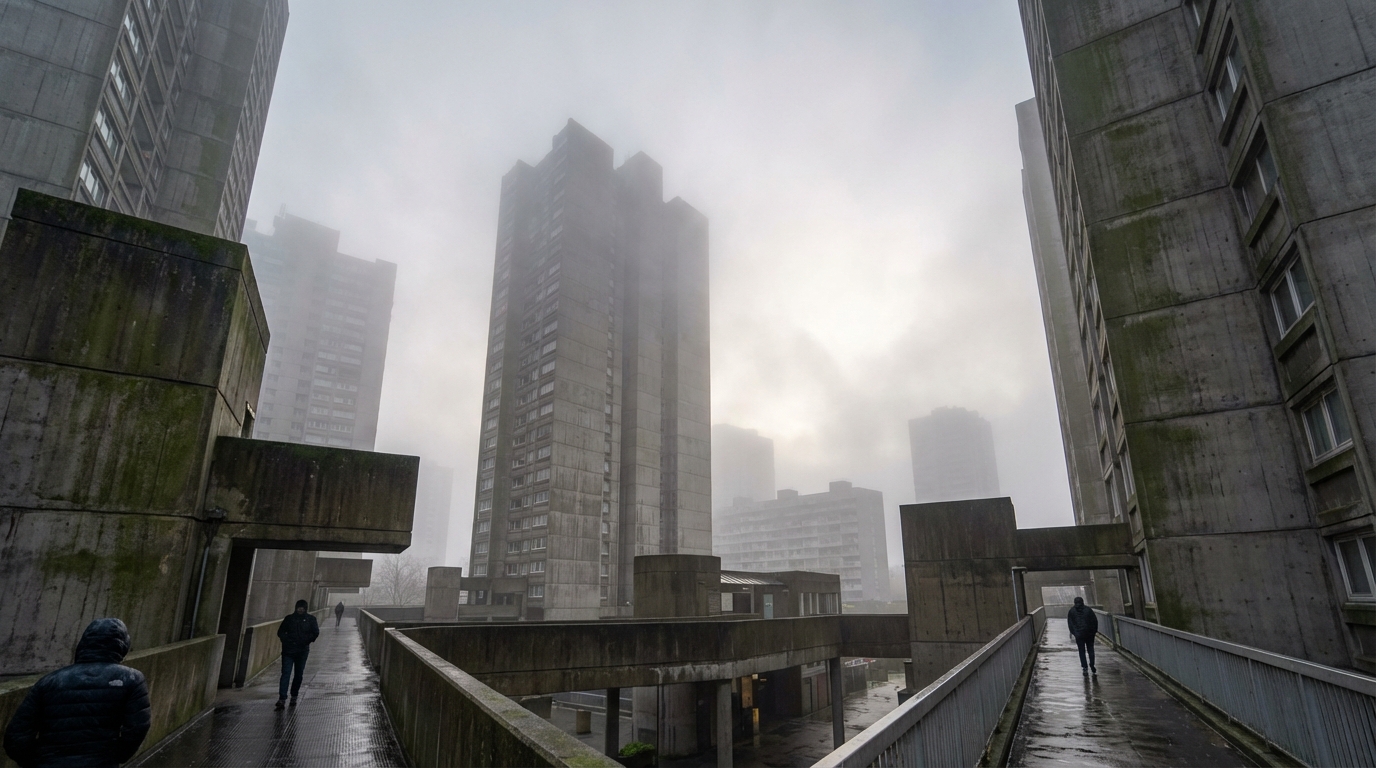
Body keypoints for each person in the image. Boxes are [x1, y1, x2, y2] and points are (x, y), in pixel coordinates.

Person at [3, 618, 151, 768]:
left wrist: (38, 761)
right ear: (122, 645)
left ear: (83, 644)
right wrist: (115, 756)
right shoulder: (131, 679)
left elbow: (16, 735)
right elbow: (137, 728)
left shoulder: (49, 681)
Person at [275, 600, 319, 710]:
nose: (300, 609)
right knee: (286, 674)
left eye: (302, 608)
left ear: (305, 608)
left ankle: (294, 696)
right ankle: (282, 698)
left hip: (302, 651)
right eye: (299, 607)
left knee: (298, 674)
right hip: (288, 651)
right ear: (296, 607)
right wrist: (286, 641)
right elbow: (280, 632)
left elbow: (315, 632)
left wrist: (305, 641)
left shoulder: (311, 619)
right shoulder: (289, 619)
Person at [1066, 596, 1098, 676]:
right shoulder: (1088, 610)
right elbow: (1094, 621)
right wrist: (1093, 632)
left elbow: (1070, 624)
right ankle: (1092, 665)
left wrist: (1075, 633)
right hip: (1089, 634)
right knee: (1091, 649)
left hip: (1079, 635)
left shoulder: (1072, 611)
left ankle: (1084, 667)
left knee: (1081, 651)